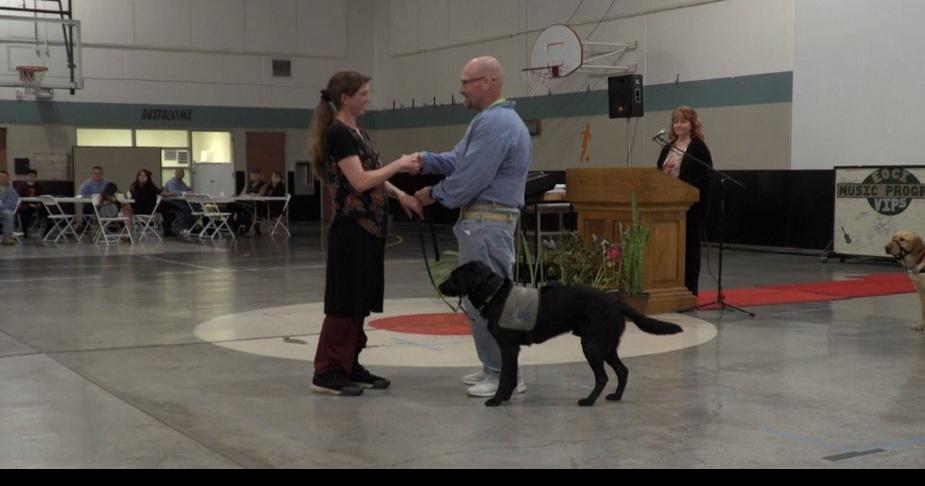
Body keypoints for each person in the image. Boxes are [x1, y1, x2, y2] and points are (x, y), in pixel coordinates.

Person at [411, 56, 533, 398]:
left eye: (466, 82)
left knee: (490, 301)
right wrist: (423, 161)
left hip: (487, 224)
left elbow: (470, 177)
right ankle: (493, 366)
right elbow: (458, 159)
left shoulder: (496, 123)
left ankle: (504, 374)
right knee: (482, 300)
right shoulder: (489, 120)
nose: (460, 89)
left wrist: (432, 194)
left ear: (488, 82)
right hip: (484, 223)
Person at [308, 70, 423, 396]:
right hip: (351, 229)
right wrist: (399, 164)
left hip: (371, 229)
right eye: (363, 93)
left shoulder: (358, 133)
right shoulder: (338, 133)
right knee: (344, 301)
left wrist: (401, 195)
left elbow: (374, 176)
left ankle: (349, 363)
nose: (367, 98)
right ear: (346, 98)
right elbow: (359, 181)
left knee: (360, 300)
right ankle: (327, 371)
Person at [656, 105, 713, 296]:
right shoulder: (667, 147)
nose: (679, 125)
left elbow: (704, 179)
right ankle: (669, 287)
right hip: (667, 207)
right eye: (676, 121)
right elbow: (658, 173)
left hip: (690, 209)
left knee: (689, 249)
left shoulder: (698, 147)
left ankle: (689, 290)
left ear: (692, 124)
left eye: (683, 121)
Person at [16, 169, 43, 238]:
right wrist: (30, 204)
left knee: (46, 211)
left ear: (35, 177)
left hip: (36, 206)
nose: (31, 177)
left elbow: (42, 196)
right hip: (25, 205)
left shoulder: (39, 186)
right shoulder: (22, 186)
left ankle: (47, 230)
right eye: (30, 176)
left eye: (33, 176)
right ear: (27, 176)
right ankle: (24, 231)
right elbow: (19, 198)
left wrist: (38, 203)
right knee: (25, 211)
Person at [0, 171, 20, 246]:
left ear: (8, 178)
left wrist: (1, 207)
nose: (2, 178)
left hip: (2, 211)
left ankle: (7, 237)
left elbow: (11, 205)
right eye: (0, 176)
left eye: (4, 177)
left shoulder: (11, 191)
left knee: (8, 214)